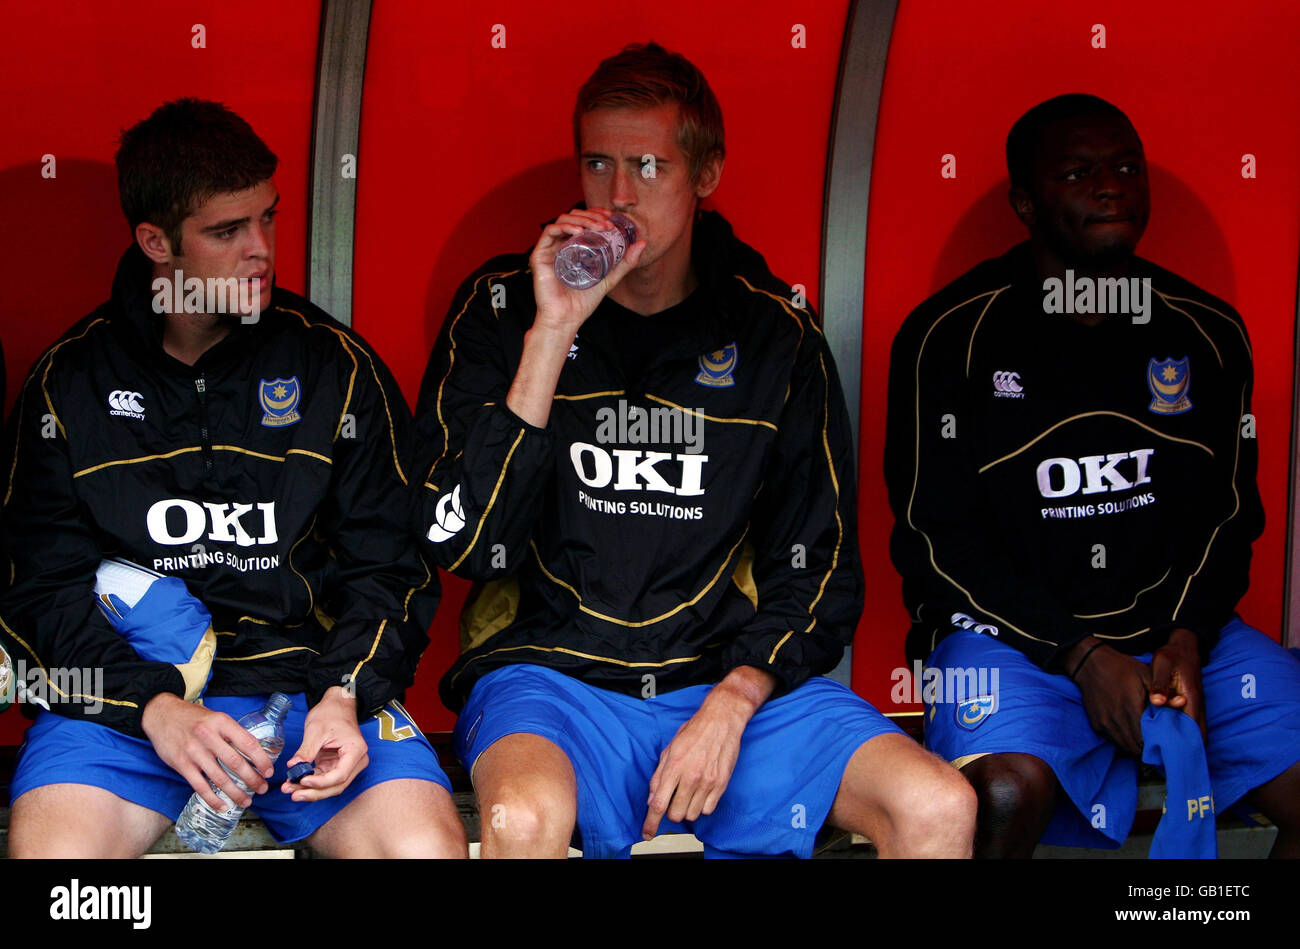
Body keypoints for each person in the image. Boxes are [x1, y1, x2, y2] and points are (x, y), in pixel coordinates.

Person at [415, 42, 975, 859]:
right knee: (521, 823)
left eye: (648, 165)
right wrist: (554, 331)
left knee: (937, 805)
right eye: (598, 163)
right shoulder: (507, 307)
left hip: (723, 679)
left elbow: (819, 568)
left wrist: (736, 696)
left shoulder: (773, 333)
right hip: (553, 678)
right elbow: (460, 540)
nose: (617, 195)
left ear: (705, 176)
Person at [0, 98, 466, 858]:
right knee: (61, 882)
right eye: (227, 231)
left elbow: (394, 568)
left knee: (423, 852)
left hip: (307, 697)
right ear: (155, 241)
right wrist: (151, 703)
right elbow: (37, 590)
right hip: (128, 705)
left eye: (269, 220)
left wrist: (345, 691)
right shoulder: (71, 383)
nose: (261, 251)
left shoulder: (332, 368)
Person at [885, 93, 1300, 857]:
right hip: (1013, 642)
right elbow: (933, 541)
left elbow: (1231, 517)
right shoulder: (951, 334)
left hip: (1179, 634)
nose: (1110, 185)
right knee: (1001, 794)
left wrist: (1184, 638)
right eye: (1077, 172)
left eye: (1125, 167)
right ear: (1024, 201)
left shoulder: (1204, 329)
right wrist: (1081, 654)